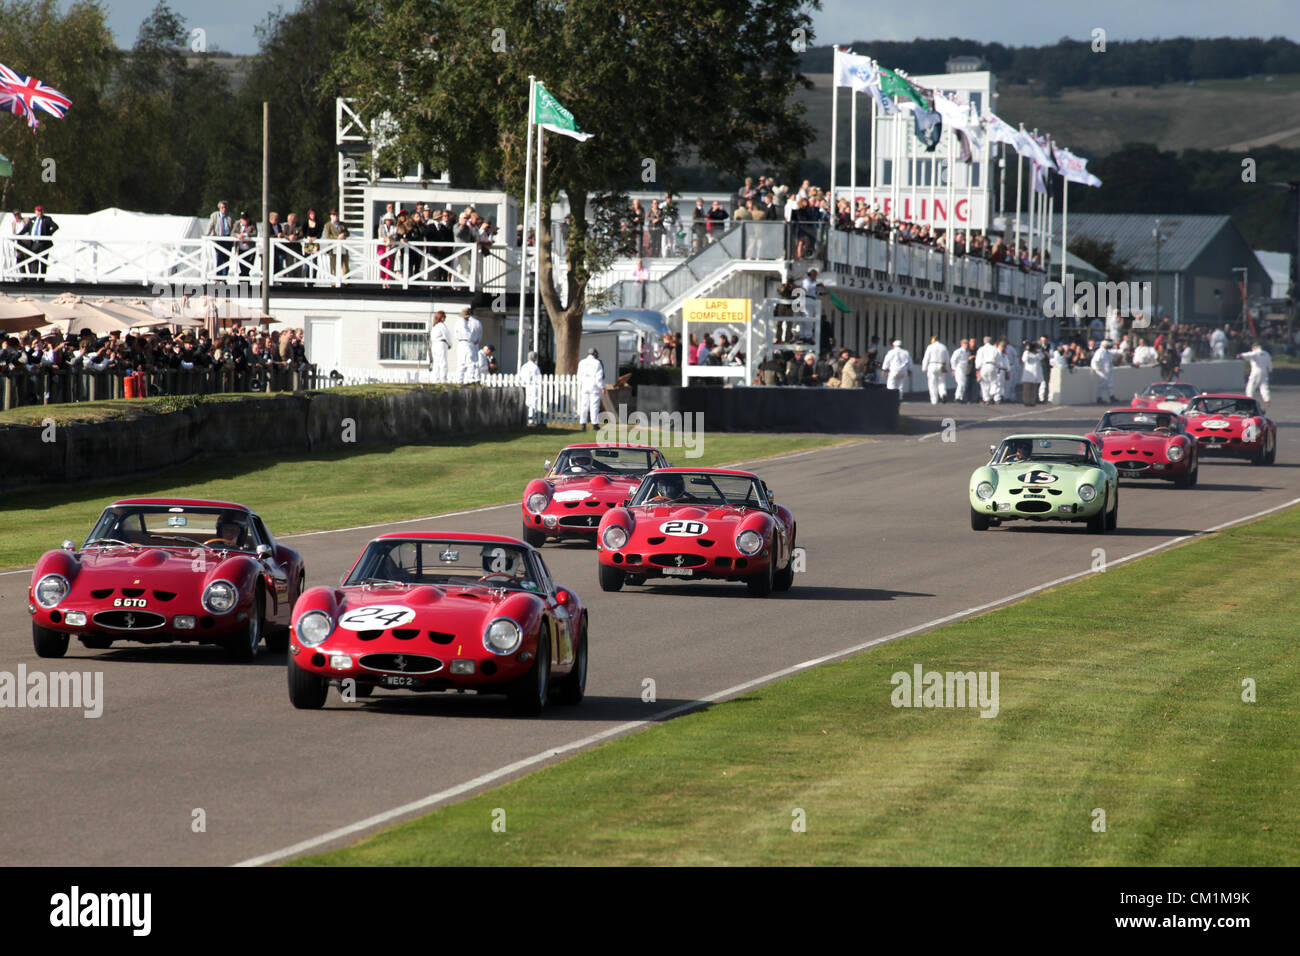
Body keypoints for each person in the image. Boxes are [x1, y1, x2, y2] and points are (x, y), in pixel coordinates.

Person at [204, 200, 234, 279]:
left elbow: (233, 227)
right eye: (222, 208)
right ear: (219, 208)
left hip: (228, 239)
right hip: (218, 239)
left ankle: (225, 278)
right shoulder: (214, 215)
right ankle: (218, 277)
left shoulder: (230, 216)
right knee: (219, 258)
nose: (224, 209)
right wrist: (206, 234)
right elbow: (210, 225)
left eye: (225, 207)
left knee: (227, 258)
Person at [576, 347, 604, 429]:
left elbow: (579, 376)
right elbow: (599, 377)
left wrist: (581, 384)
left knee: (584, 405)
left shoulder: (582, 362)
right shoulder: (597, 363)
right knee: (594, 405)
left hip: (584, 386)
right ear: (595, 354)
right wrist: (601, 387)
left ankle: (583, 423)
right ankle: (594, 424)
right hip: (594, 386)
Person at [454, 307, 481, 383]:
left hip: (461, 343)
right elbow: (469, 335)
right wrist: (475, 340)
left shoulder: (459, 322)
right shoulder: (464, 322)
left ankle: (459, 380)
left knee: (461, 363)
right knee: (471, 362)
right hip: (468, 344)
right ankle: (471, 379)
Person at [974, 336, 1004, 405]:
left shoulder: (981, 349)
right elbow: (999, 360)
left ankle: (986, 399)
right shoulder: (995, 349)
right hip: (992, 365)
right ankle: (992, 393)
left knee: (984, 383)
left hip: (984, 366)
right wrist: (998, 367)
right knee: (993, 381)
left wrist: (977, 368)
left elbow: (978, 360)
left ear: (984, 341)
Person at [920, 335, 949, 404]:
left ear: (933, 340)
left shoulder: (930, 347)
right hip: (941, 365)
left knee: (932, 383)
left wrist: (924, 367)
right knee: (941, 382)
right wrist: (947, 367)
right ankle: (943, 394)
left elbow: (926, 357)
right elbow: (947, 358)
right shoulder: (943, 347)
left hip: (932, 365)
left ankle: (934, 400)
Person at [1090, 338, 1120, 404]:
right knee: (1102, 385)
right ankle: (1099, 398)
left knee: (1110, 384)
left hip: (1108, 371)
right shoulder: (1100, 352)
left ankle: (1111, 397)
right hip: (1102, 371)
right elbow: (1094, 361)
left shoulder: (1107, 352)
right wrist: (1096, 368)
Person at [519, 350, 542, 424]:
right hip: (533, 387)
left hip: (525, 386)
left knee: (527, 402)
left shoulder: (524, 366)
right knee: (533, 403)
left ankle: (526, 419)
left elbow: (521, 376)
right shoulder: (535, 367)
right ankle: (530, 420)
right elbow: (538, 378)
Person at [428, 310, 450, 382]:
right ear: (441, 317)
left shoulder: (434, 327)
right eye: (444, 317)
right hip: (441, 344)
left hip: (434, 345)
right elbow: (447, 336)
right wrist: (450, 344)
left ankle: (436, 379)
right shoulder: (442, 326)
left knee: (436, 363)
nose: (445, 318)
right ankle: (443, 379)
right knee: (443, 362)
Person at [1020, 342, 1044, 406]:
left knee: (1034, 389)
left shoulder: (1037, 353)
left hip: (1035, 374)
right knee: (1027, 389)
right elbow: (1024, 359)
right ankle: (1026, 401)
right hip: (1028, 375)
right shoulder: (1026, 353)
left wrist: (1038, 350)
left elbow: (1042, 357)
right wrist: (1028, 351)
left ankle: (1032, 402)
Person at [950, 338, 970, 403]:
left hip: (964, 369)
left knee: (963, 384)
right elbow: (953, 360)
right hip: (959, 368)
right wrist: (954, 369)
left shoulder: (967, 352)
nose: (966, 345)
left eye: (967, 343)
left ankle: (961, 397)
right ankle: (957, 397)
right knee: (960, 383)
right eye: (965, 343)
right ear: (961, 344)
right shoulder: (958, 351)